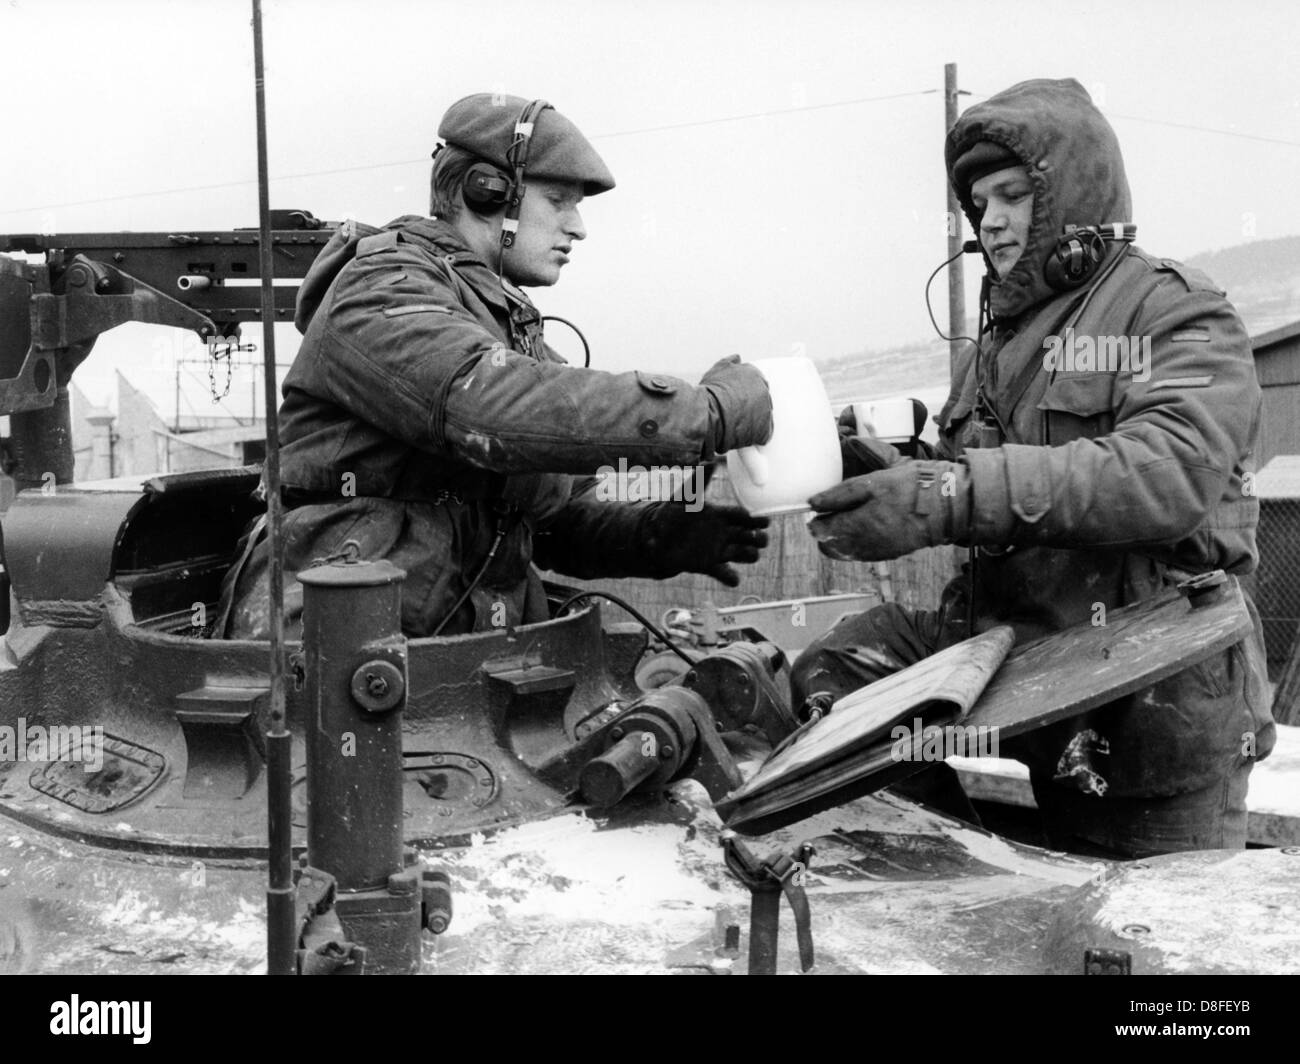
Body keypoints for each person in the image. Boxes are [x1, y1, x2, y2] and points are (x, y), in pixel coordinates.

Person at [794, 78, 1274, 858]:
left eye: (1013, 195)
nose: (992, 221)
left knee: (1143, 946)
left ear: (1075, 200)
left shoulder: (1177, 310)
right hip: (1025, 660)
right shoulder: (1002, 340)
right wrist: (880, 468)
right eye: (980, 203)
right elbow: (972, 473)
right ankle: (963, 874)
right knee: (837, 672)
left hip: (1147, 686)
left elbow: (1171, 473)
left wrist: (945, 495)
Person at [220, 94, 773, 639]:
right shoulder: (383, 287)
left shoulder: (496, 323)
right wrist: (705, 413)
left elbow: (551, 512)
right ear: (486, 193)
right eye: (558, 201)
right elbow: (485, 407)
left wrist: (654, 536)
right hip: (337, 657)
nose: (577, 227)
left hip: (465, 655)